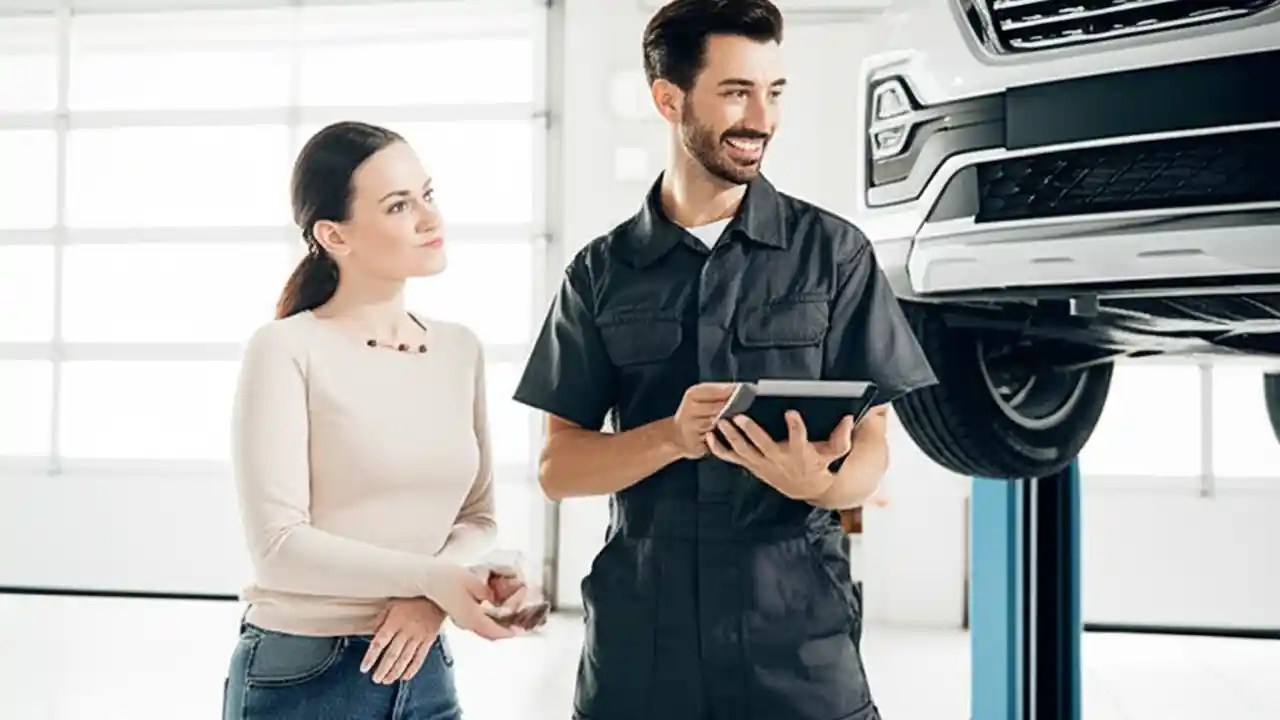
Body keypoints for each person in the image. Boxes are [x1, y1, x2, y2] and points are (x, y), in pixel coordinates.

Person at [512, 2, 938, 719]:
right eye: (736, 91)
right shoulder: (601, 272)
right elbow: (560, 469)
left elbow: (873, 448)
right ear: (668, 99)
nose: (762, 118)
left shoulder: (833, 255)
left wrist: (821, 484)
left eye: (774, 92)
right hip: (644, 651)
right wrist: (670, 438)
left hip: (798, 642)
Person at [222, 121, 527, 720]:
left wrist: (434, 595)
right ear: (334, 235)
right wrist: (433, 581)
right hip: (305, 671)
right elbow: (278, 548)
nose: (429, 219)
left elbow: (479, 516)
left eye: (428, 194)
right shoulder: (285, 348)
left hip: (426, 667)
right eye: (398, 205)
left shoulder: (459, 349)